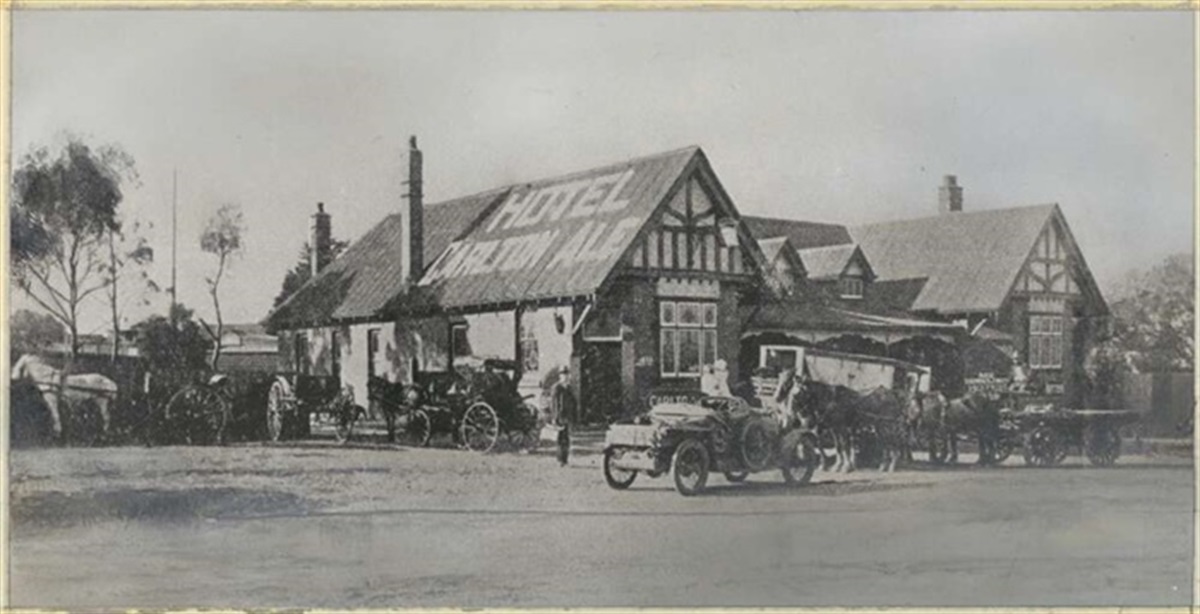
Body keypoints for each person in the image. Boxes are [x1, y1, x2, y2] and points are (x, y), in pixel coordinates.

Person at [550, 367, 576, 467]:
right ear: (560, 376)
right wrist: (554, 417)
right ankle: (561, 459)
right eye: (563, 375)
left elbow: (573, 402)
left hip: (567, 416)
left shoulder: (569, 388)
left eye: (566, 374)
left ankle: (565, 458)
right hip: (560, 415)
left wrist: (573, 415)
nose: (565, 377)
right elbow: (554, 403)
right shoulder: (556, 388)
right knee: (561, 438)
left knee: (567, 438)